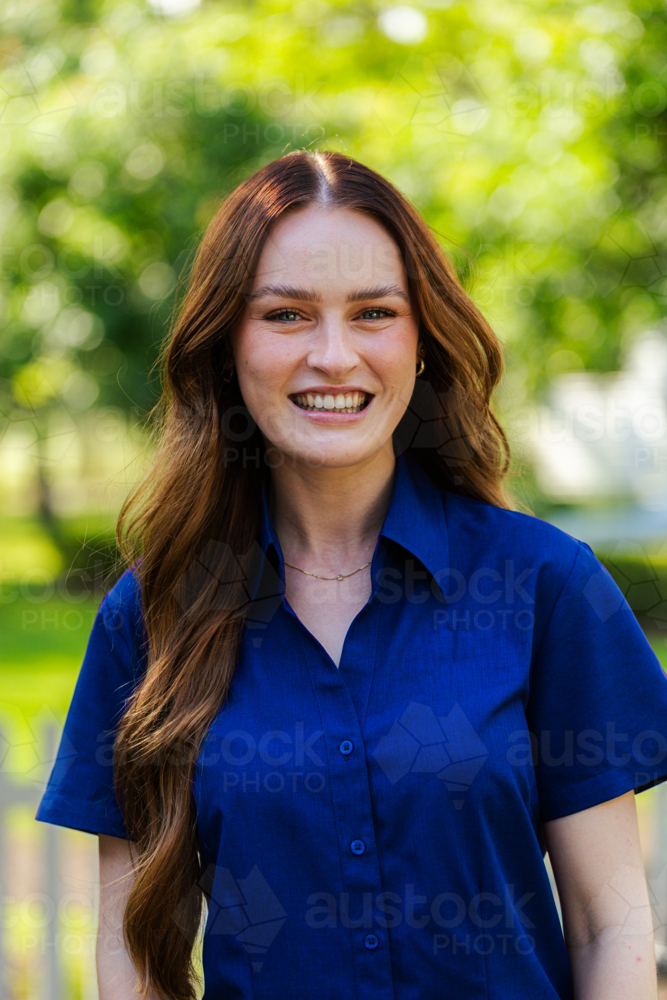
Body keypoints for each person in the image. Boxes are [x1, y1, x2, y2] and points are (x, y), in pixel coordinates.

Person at [36, 149, 667, 1000]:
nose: (334, 356)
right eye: (287, 315)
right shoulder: (149, 615)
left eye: (373, 312)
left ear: (421, 339)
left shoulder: (545, 587)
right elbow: (128, 947)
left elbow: (610, 924)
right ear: (227, 344)